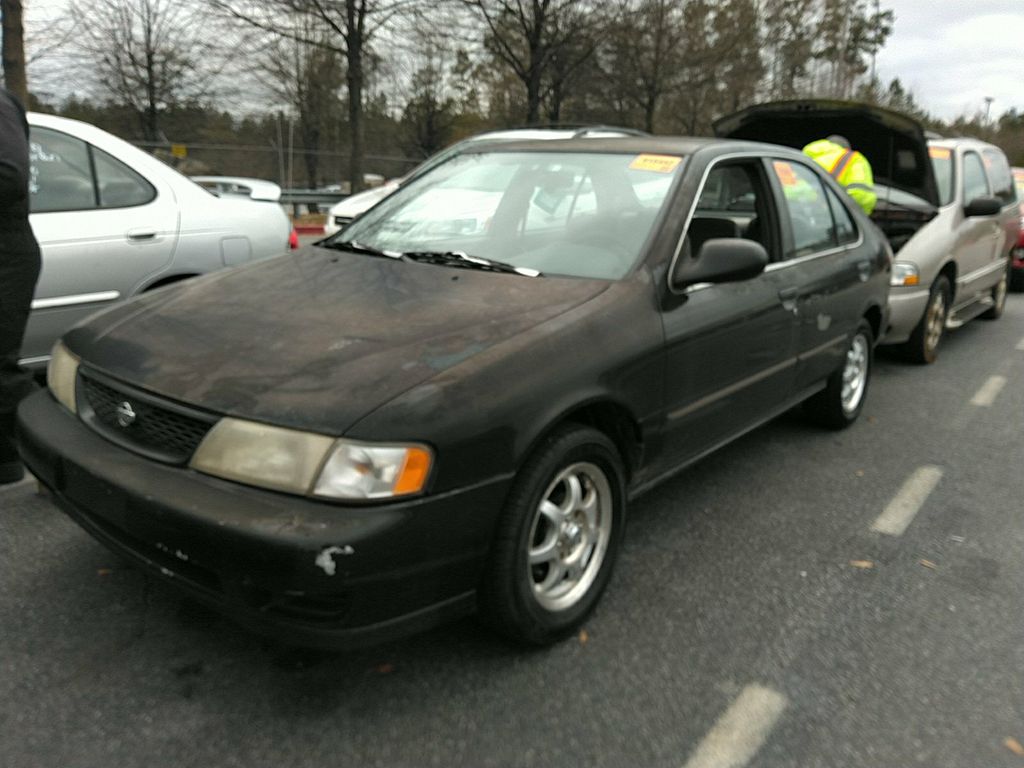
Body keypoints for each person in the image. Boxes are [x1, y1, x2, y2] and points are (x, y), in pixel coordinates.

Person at [0, 87, 42, 484]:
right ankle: (6, 464)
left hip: (5, 255)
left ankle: (53, 459)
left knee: (2, 369)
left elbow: (8, 176)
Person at [803, 135, 877, 216]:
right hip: (830, 217)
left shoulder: (804, 156)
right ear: (846, 149)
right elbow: (861, 194)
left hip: (797, 213)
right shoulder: (854, 159)